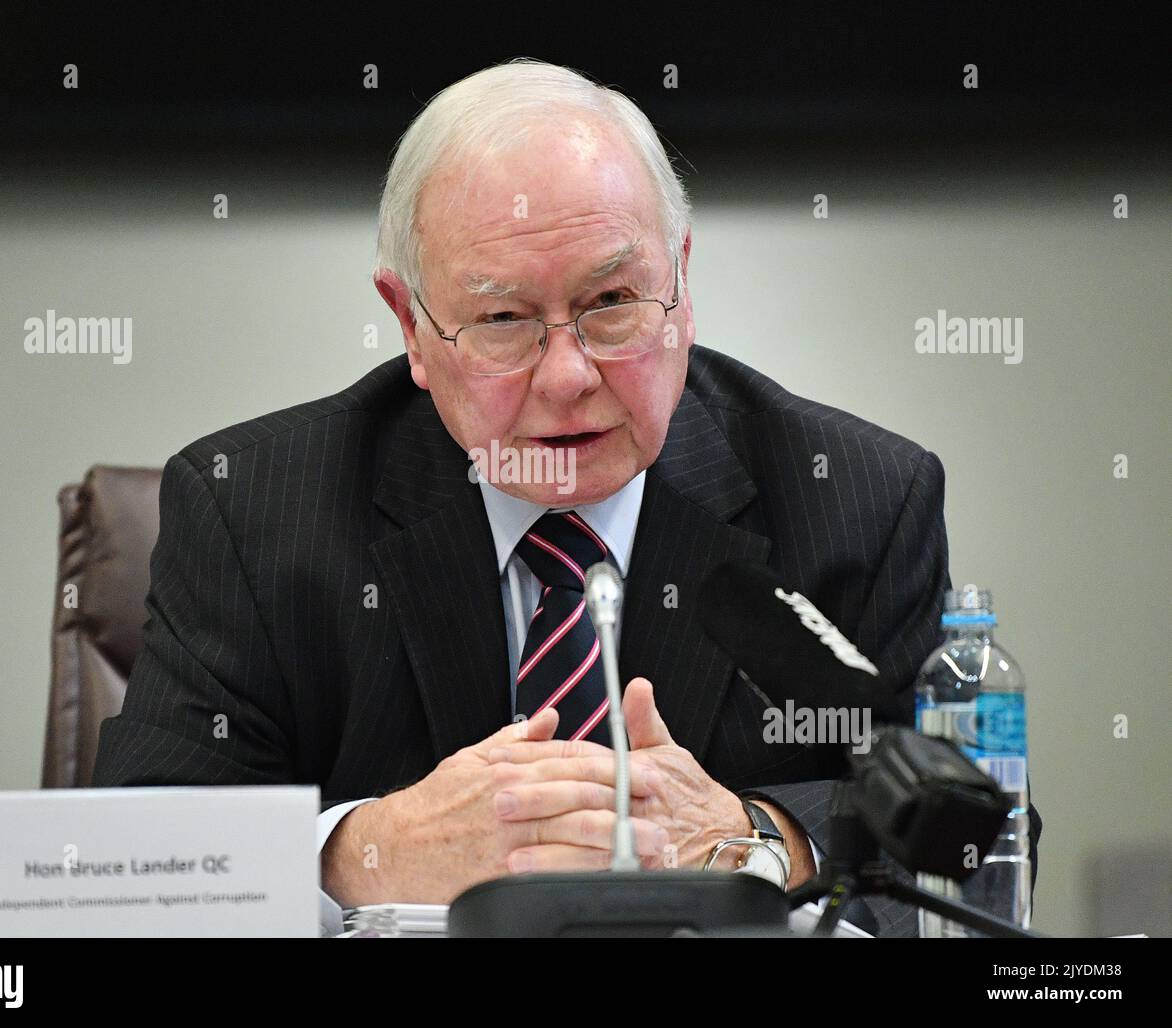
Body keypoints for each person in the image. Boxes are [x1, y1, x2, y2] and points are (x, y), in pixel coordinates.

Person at [93, 58, 1041, 936]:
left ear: (681, 284)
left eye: (612, 304)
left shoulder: (859, 502)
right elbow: (138, 853)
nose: (568, 374)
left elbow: (976, 843)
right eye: (503, 319)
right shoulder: (256, 511)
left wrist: (756, 840)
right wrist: (362, 850)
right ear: (412, 328)